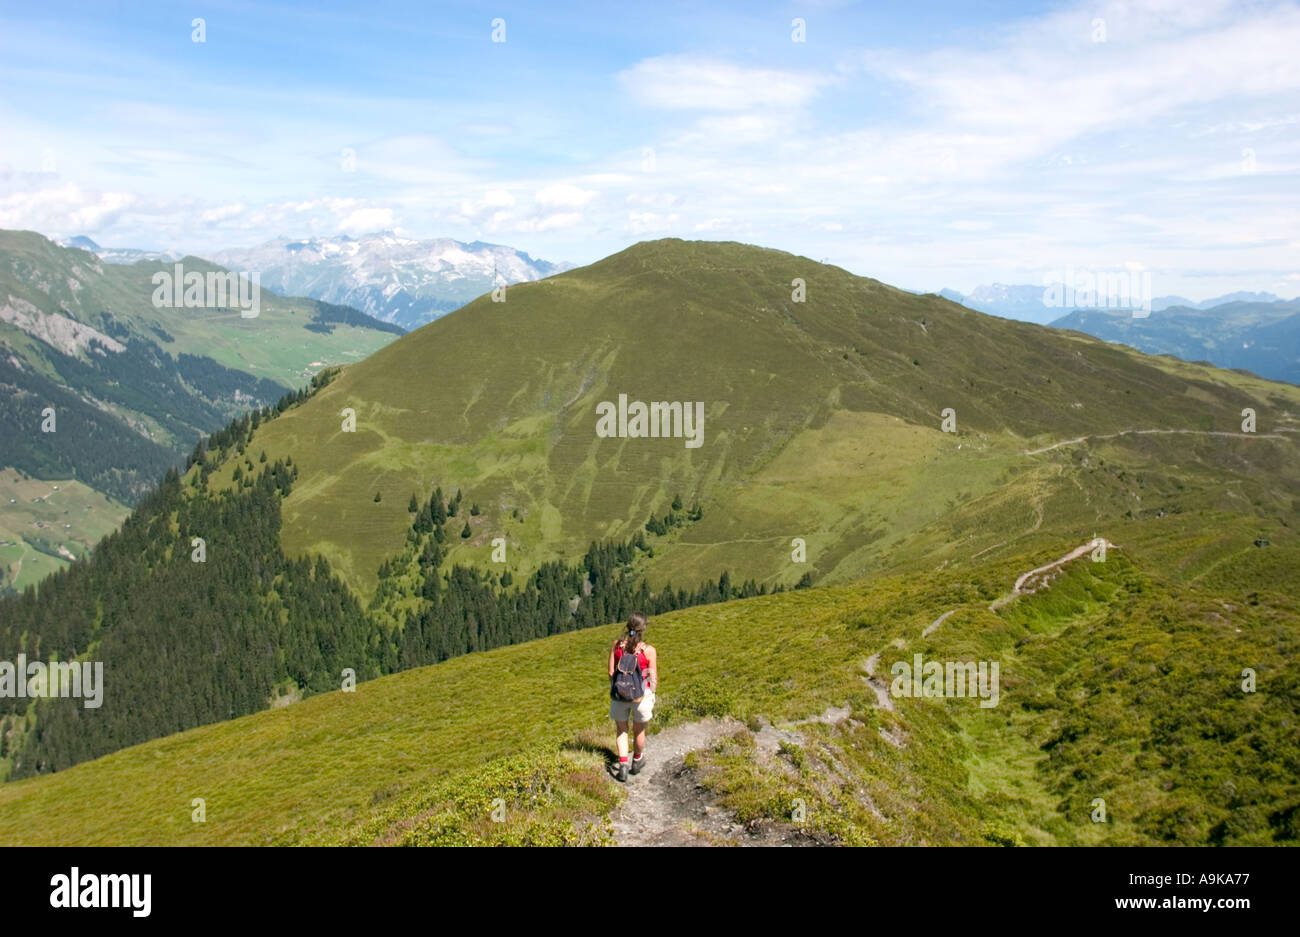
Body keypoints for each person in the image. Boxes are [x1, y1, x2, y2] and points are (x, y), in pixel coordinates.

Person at [608, 612, 657, 782]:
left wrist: (616, 688)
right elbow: (652, 677)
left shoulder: (617, 646)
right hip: (640, 697)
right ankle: (636, 761)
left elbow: (611, 672)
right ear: (643, 629)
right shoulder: (649, 651)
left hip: (619, 696)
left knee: (621, 729)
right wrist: (651, 694)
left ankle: (622, 764)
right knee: (639, 730)